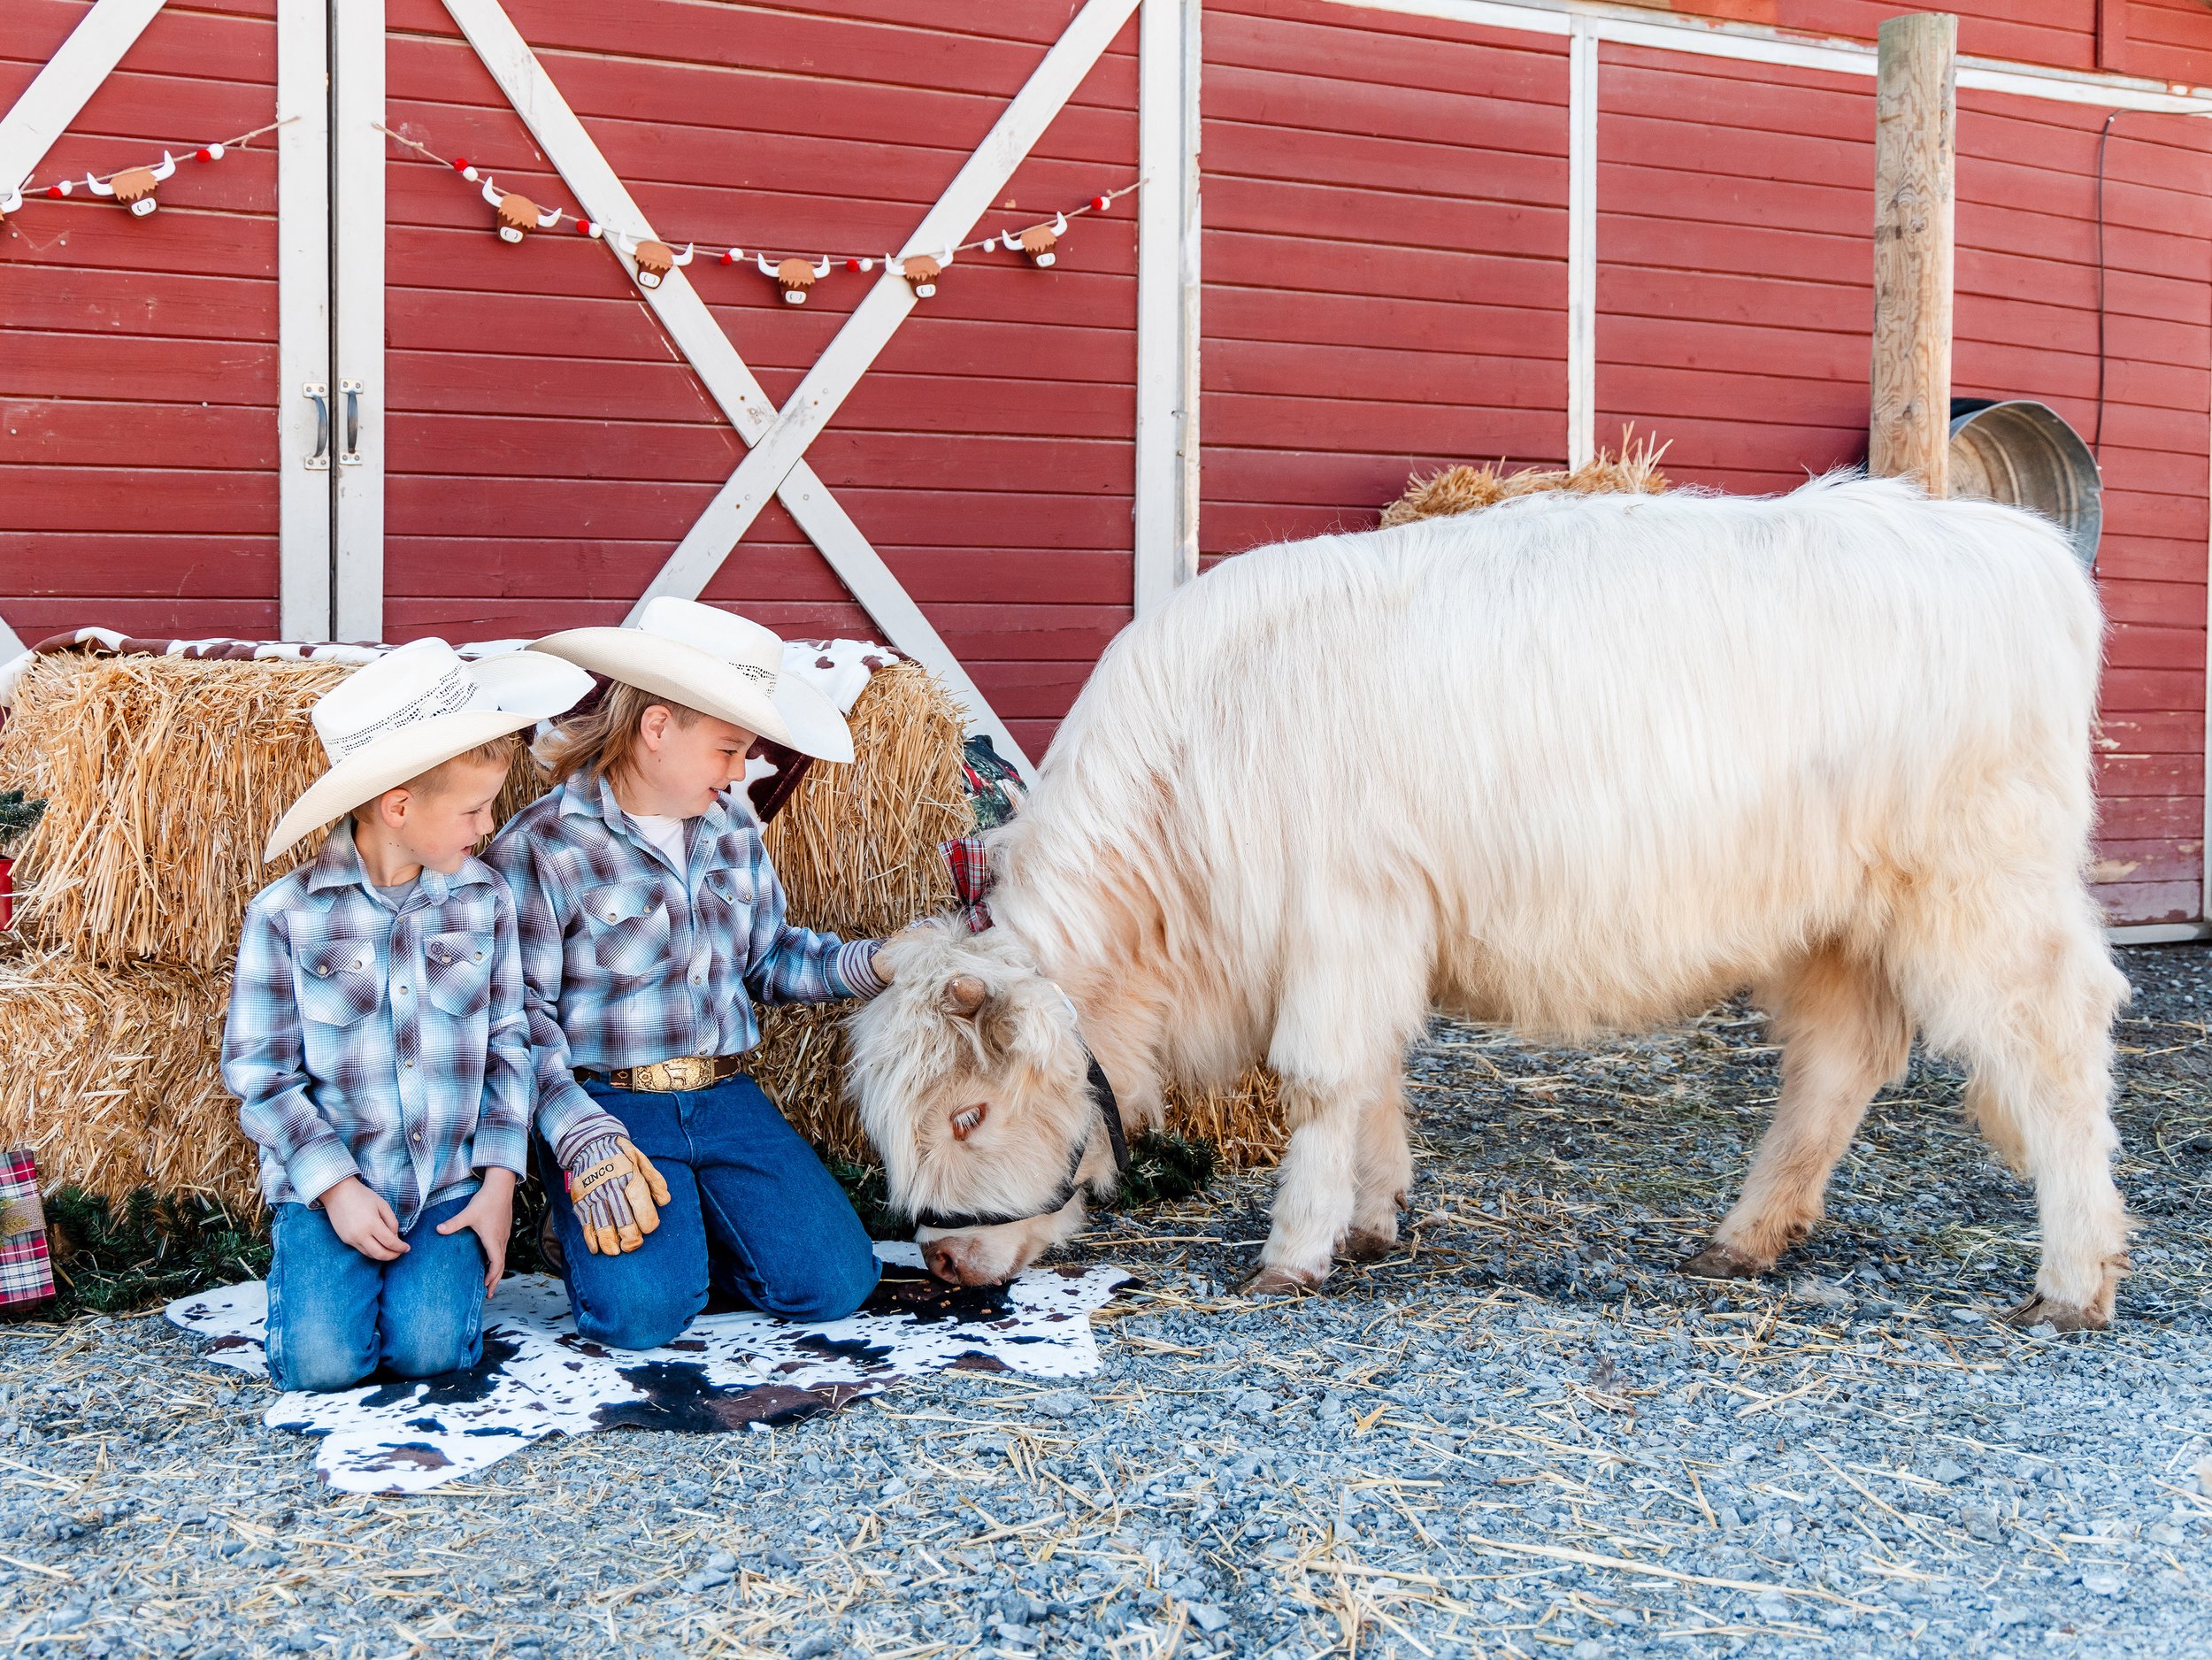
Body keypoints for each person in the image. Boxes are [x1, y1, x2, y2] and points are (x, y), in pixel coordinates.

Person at [487, 597, 893, 1350]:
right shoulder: (544, 846)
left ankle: (686, 1237)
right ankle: (612, 1233)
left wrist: (878, 964)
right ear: (657, 728)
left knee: (836, 1284)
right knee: (639, 1319)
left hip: (724, 1092)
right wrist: (580, 1136)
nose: (740, 772)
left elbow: (768, 960)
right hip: (612, 1101)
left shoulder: (732, 829)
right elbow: (517, 1019)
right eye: (728, 750)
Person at [222, 640, 591, 1391]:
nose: (489, 826)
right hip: (332, 1190)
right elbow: (261, 1075)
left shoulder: (485, 903)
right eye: (474, 809)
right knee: (317, 1368)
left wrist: (496, 1187)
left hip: (448, 1188)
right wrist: (336, 1189)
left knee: (432, 1354)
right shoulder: (286, 915)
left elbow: (508, 1045)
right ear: (398, 807)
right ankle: (322, 1268)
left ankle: (425, 1284)